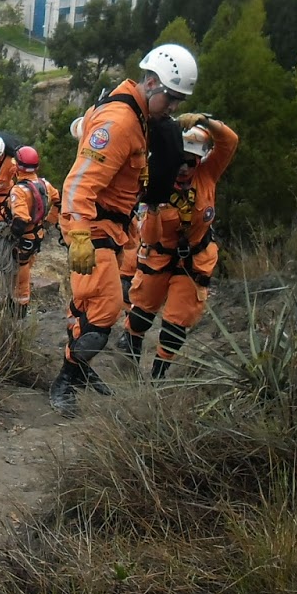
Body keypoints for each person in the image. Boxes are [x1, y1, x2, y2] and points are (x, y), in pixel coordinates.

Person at [50, 43, 197, 415]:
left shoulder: (137, 113)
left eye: (180, 100)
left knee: (86, 303)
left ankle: (79, 367)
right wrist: (80, 235)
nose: (174, 107)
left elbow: (86, 129)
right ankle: (65, 379)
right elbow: (78, 185)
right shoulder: (121, 123)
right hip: (91, 221)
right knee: (107, 308)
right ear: (151, 83)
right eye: (172, 99)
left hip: (113, 225)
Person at [125, 113, 238, 377]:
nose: (184, 168)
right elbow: (150, 238)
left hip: (195, 258)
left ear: (199, 160)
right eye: (179, 161)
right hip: (158, 254)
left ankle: (158, 374)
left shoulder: (207, 175)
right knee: (142, 313)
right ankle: (129, 355)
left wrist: (206, 121)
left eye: (191, 161)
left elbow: (229, 142)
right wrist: (152, 205)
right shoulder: (154, 181)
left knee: (176, 321)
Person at [2, 144, 59, 318]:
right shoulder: (45, 184)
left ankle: (19, 310)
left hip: (24, 239)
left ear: (17, 166)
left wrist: (9, 235)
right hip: (37, 235)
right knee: (24, 268)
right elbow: (58, 201)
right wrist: (49, 221)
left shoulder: (19, 191)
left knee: (20, 273)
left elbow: (20, 220)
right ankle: (17, 303)